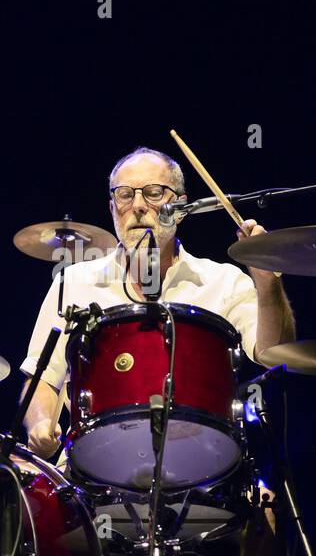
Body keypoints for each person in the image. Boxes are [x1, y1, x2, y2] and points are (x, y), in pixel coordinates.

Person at [20, 146, 295, 455]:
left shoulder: (223, 281)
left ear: (179, 205)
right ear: (112, 208)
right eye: (125, 195)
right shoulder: (74, 282)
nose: (137, 205)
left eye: (153, 193)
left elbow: (273, 353)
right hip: (92, 474)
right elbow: (41, 379)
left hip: (201, 468)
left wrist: (268, 284)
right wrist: (41, 424)